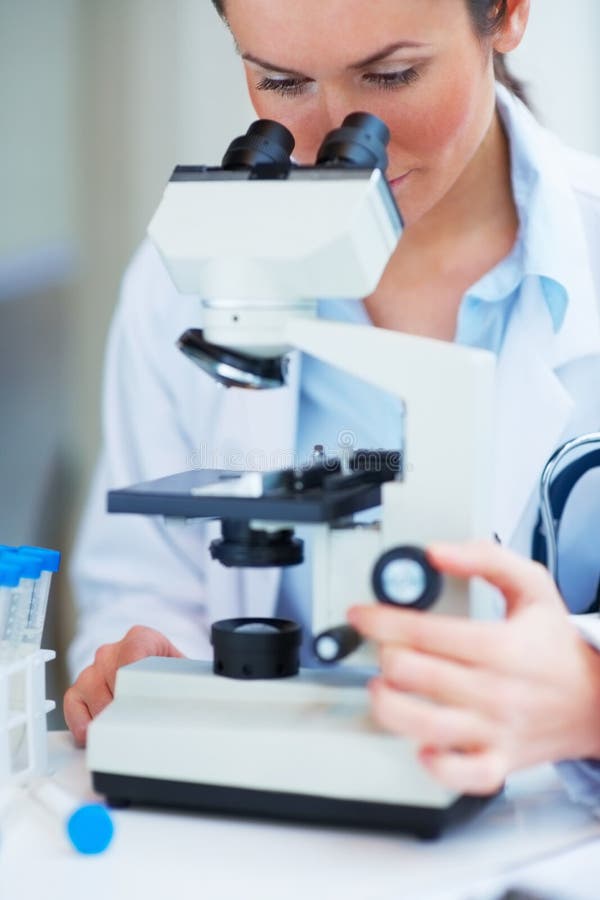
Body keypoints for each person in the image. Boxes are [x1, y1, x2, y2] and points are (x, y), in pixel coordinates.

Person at [65, 0, 600, 801]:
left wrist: (590, 699)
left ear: (510, 13)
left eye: (392, 75)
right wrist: (138, 664)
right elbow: (139, 583)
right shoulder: (189, 271)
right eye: (280, 82)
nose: (325, 143)